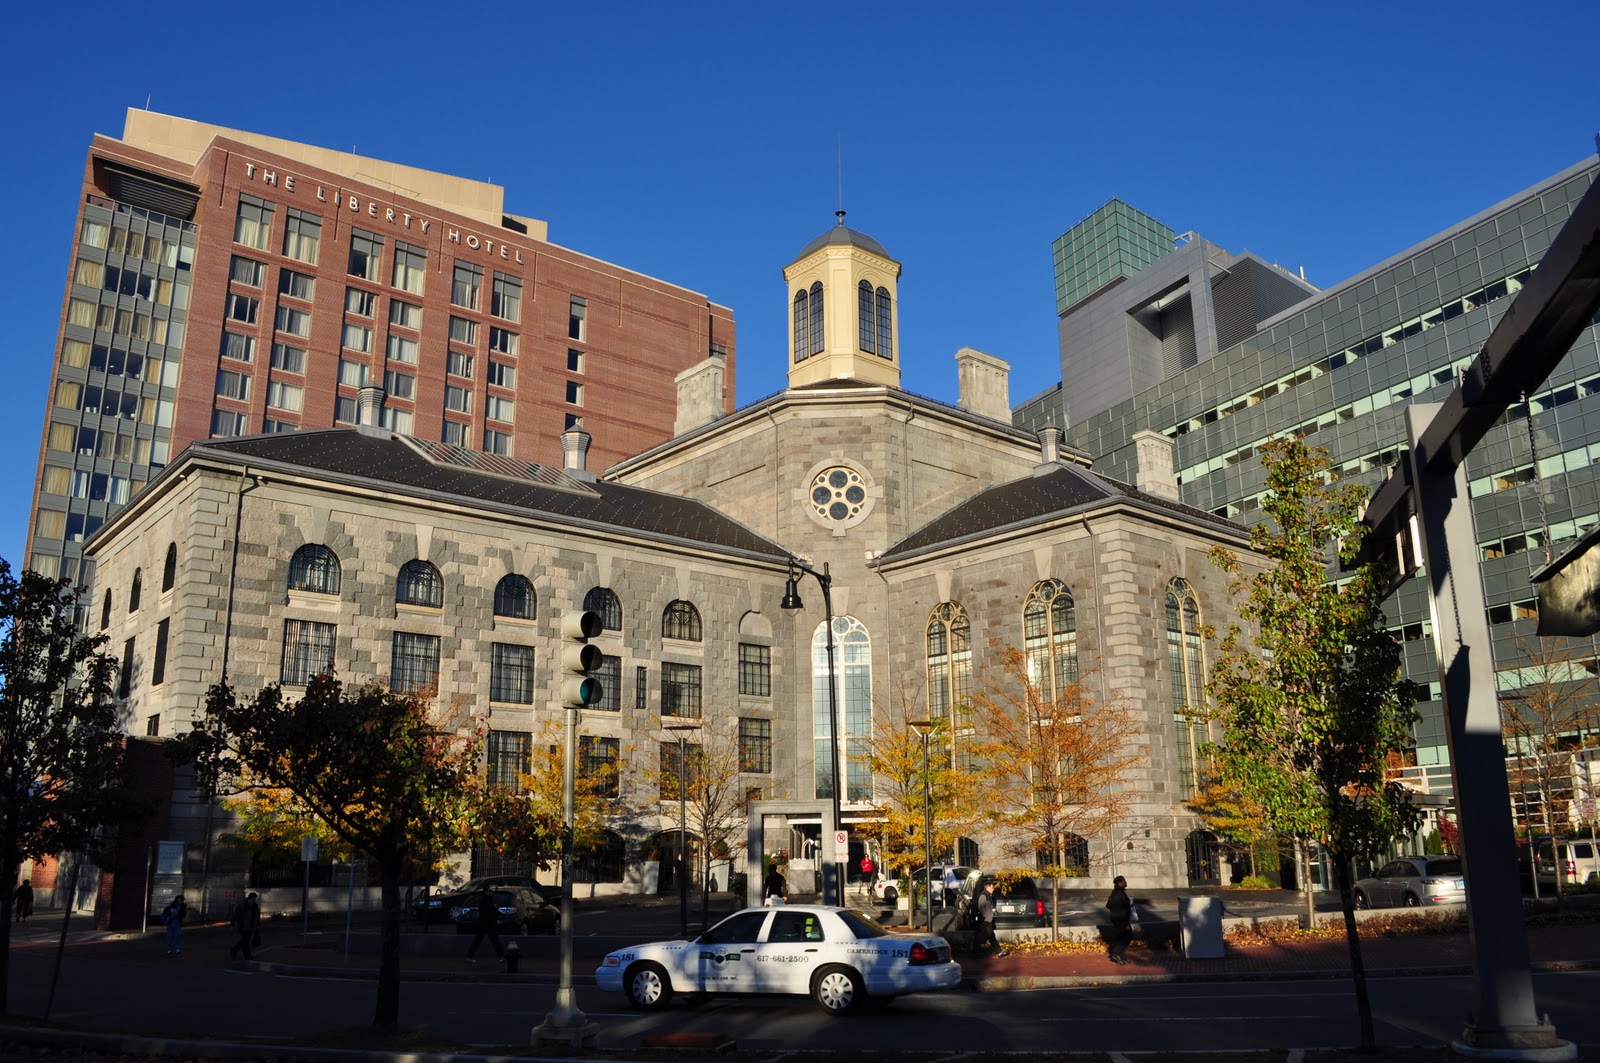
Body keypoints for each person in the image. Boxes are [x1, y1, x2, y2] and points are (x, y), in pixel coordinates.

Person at [465, 886, 503, 962]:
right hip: (485, 924)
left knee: (493, 940)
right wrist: (495, 920)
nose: (491, 892)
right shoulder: (485, 902)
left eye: (491, 891)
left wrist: (498, 917)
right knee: (483, 940)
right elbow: (487, 914)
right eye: (489, 891)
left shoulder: (490, 900)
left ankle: (500, 956)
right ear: (485, 892)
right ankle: (500, 956)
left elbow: (493, 912)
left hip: (487, 924)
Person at [972, 879, 1006, 957]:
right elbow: (980, 907)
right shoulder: (983, 895)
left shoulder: (988, 896)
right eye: (992, 887)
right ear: (988, 887)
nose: (993, 889)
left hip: (987, 920)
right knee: (981, 937)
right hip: (985, 920)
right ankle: (975, 952)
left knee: (989, 937)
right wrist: (986, 915)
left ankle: (999, 952)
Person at [1105, 875, 1133, 964]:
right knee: (1127, 935)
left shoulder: (1117, 892)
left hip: (1119, 918)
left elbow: (1108, 905)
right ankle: (1116, 953)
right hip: (1121, 919)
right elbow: (1112, 905)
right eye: (1124, 881)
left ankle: (1119, 954)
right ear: (1120, 883)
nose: (1126, 882)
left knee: (1122, 935)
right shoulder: (1118, 893)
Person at [229, 892, 261, 961]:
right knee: (246, 942)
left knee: (244, 941)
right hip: (242, 926)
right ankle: (247, 956)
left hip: (250, 927)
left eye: (255, 899)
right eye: (253, 899)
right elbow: (235, 916)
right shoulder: (242, 905)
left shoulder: (255, 906)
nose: (254, 901)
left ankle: (234, 950)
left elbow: (257, 916)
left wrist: (257, 925)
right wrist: (232, 925)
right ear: (249, 899)